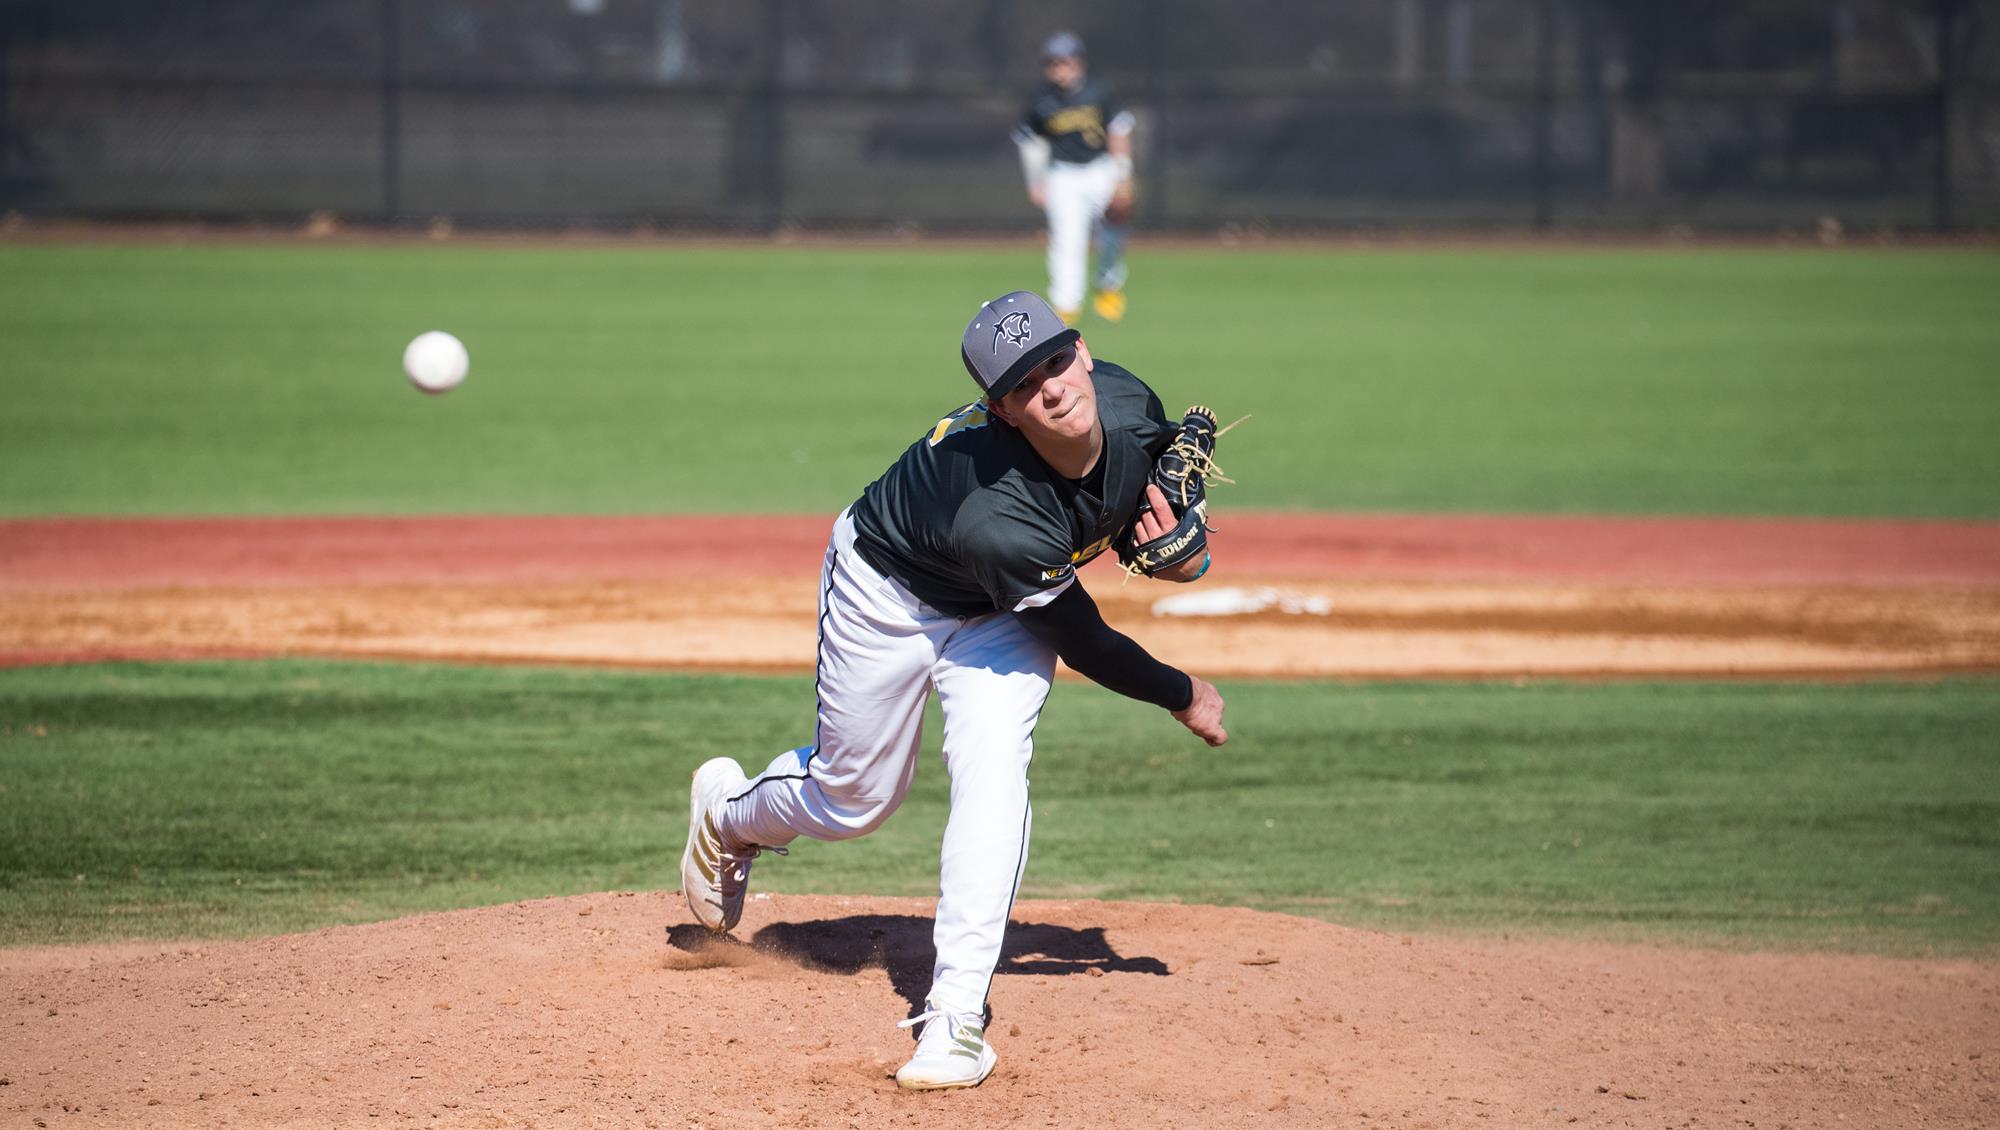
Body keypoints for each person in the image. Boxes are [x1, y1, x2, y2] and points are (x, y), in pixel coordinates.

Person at [681, 290, 1227, 1091]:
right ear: (1001, 410)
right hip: (890, 589)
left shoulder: (1130, 403)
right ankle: (729, 818)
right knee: (855, 798)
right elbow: (1084, 639)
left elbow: (1145, 527)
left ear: (1082, 352)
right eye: (1023, 384)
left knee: (994, 767)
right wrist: (1181, 690)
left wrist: (1186, 559)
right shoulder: (995, 517)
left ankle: (955, 1020)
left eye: (1055, 359)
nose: (1052, 387)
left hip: (1001, 612)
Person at [1012, 31, 1137, 325]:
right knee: (1067, 241)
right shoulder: (1041, 100)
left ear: (1078, 62)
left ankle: (1108, 286)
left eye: (1065, 62)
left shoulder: (1099, 92)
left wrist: (1123, 175)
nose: (1060, 69)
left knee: (1112, 232)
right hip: (1063, 175)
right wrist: (1035, 181)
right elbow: (1029, 142)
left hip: (1100, 169)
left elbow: (1120, 130)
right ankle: (1066, 305)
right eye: (1053, 63)